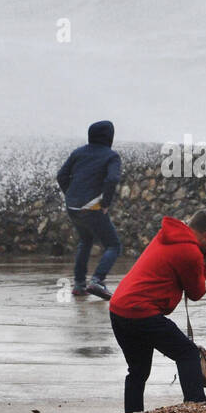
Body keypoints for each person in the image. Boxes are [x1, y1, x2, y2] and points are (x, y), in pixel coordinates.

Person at [108, 210, 206, 413]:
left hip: (119, 308)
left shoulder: (170, 235)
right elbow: (197, 292)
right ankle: (195, 408)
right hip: (142, 311)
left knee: (138, 370)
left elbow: (179, 262)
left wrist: (203, 257)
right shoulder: (190, 252)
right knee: (188, 353)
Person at [57, 120, 123, 300]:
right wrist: (105, 203)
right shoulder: (111, 156)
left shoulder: (78, 153)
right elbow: (112, 179)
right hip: (92, 206)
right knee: (113, 245)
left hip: (72, 206)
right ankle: (97, 280)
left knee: (85, 240)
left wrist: (71, 195)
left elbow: (61, 175)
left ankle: (79, 285)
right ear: (109, 137)